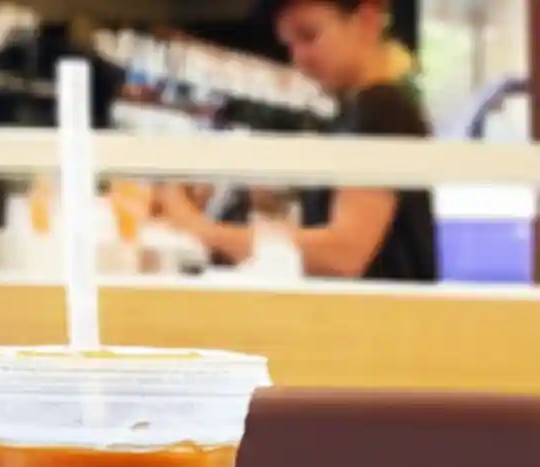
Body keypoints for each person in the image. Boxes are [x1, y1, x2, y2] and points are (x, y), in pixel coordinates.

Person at [162, 0, 438, 281]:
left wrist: (203, 231)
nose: (299, 58)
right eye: (290, 45)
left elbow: (342, 253)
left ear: (367, 20)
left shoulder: (381, 107)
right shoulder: (356, 110)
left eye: (309, 36)